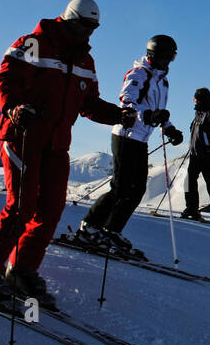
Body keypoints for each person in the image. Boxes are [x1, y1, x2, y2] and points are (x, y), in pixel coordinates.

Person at [0, 0, 124, 303]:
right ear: (69, 20)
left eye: (94, 27)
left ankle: (22, 269)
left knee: (51, 208)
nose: (88, 33)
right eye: (84, 25)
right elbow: (5, 80)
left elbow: (88, 103)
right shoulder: (34, 44)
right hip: (22, 135)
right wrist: (13, 107)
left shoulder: (84, 61)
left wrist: (117, 115)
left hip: (56, 143)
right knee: (22, 206)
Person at [76, 35, 183, 253]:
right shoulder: (139, 73)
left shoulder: (162, 81)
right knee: (121, 187)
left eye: (171, 58)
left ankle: (110, 231)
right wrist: (149, 116)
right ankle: (89, 227)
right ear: (154, 56)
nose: (168, 63)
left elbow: (156, 110)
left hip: (140, 139)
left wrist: (169, 128)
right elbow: (127, 101)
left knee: (137, 190)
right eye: (165, 58)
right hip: (125, 135)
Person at [181, 87, 210, 222]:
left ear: (200, 99)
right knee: (189, 181)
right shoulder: (199, 114)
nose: (193, 101)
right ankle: (191, 208)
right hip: (195, 155)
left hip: (208, 156)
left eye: (195, 99)